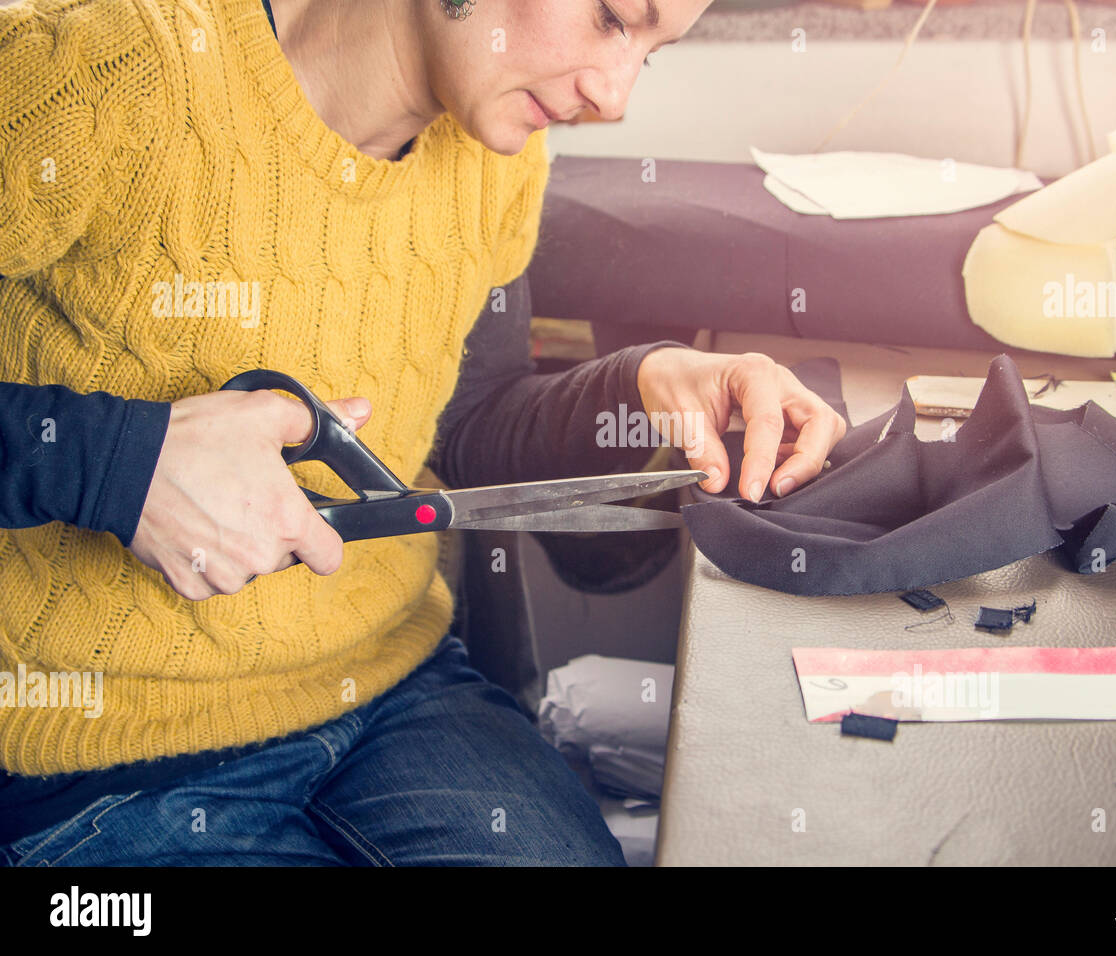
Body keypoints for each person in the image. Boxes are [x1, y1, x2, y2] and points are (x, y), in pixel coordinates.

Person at [0, 0, 845, 866]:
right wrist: (112, 462)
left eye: (653, 54)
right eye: (610, 16)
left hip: (391, 694)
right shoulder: (98, 66)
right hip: (93, 765)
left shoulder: (497, 149)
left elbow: (469, 425)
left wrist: (642, 386)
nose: (615, 94)